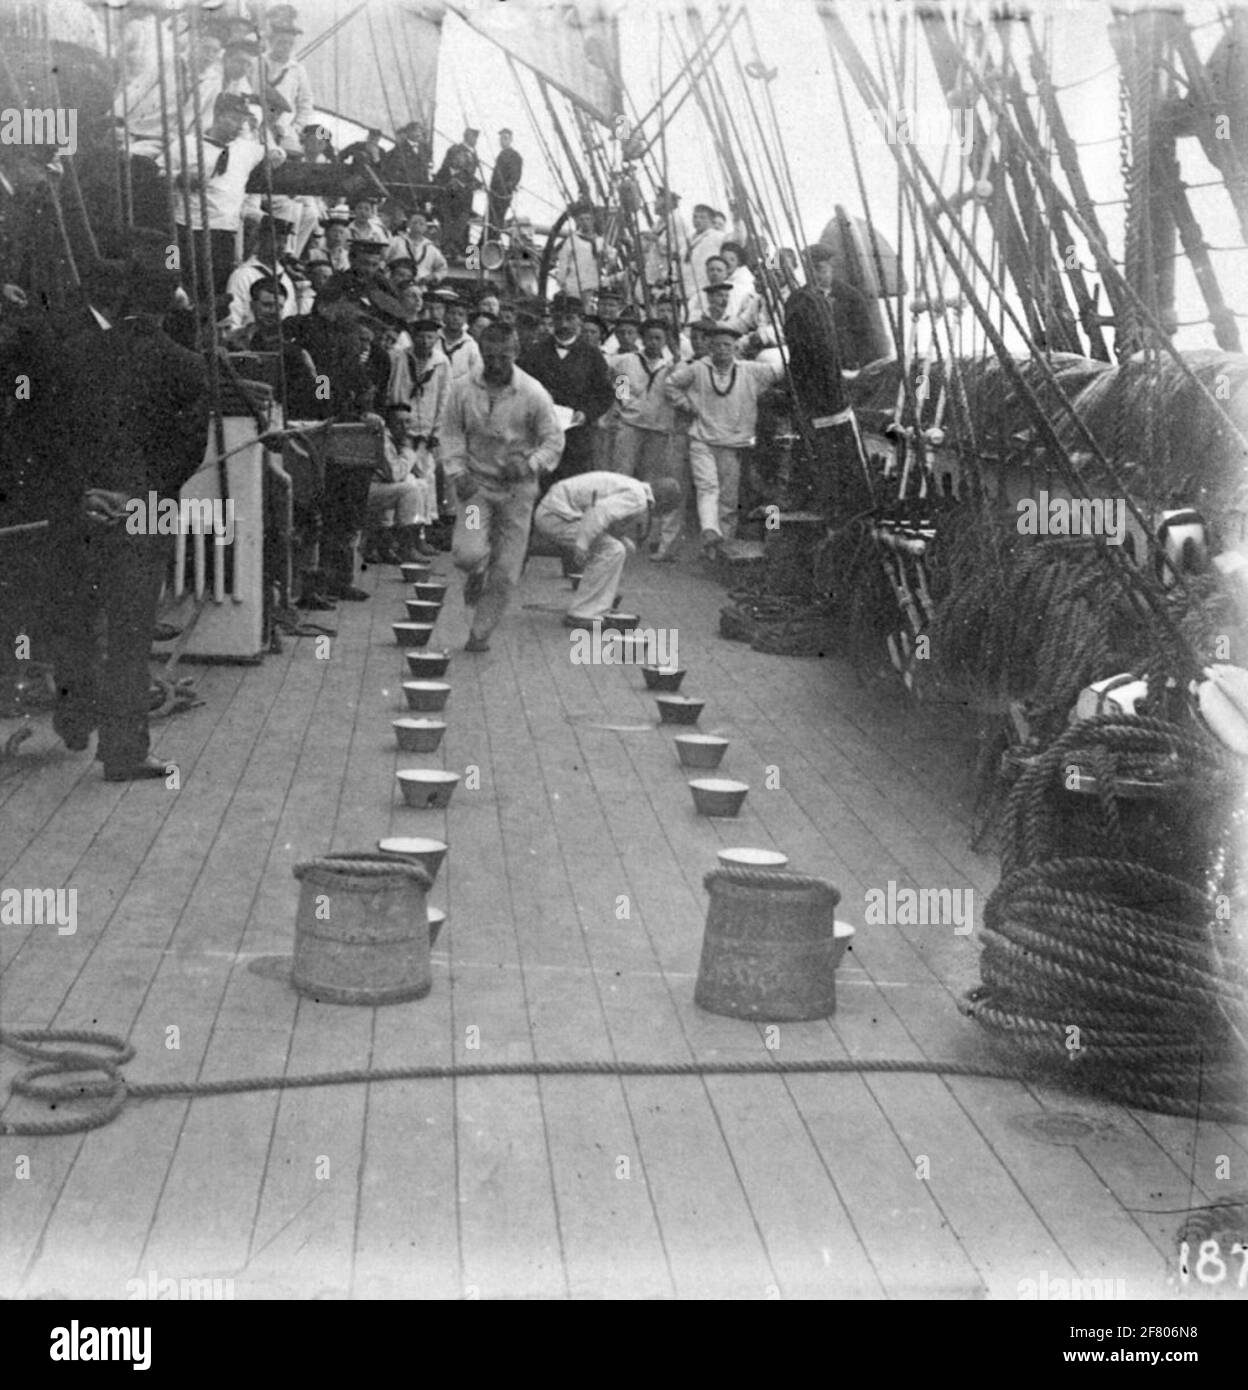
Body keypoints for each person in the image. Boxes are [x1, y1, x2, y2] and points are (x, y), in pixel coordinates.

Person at [44, 231, 210, 781]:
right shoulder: (185, 365)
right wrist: (139, 496)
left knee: (75, 616)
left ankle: (72, 716)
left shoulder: (74, 355)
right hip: (148, 509)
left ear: (120, 297)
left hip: (82, 507)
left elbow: (49, 437)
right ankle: (123, 751)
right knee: (131, 630)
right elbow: (189, 452)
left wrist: (82, 493)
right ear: (171, 299)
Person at [440, 322, 564, 652]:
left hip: (517, 493)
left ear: (516, 353)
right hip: (475, 488)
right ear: (480, 352)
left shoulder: (533, 392)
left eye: (504, 357)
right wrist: (457, 472)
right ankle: (476, 572)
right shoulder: (462, 388)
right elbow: (451, 434)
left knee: (507, 570)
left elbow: (554, 441)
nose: (495, 364)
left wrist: (531, 463)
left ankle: (479, 634)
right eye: (489, 356)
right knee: (467, 554)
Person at [667, 322, 785, 557]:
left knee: (739, 497)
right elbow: (666, 384)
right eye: (717, 345)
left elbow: (781, 370)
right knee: (701, 487)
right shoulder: (689, 366)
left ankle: (723, 547)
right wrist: (626, 403)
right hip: (676, 433)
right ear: (710, 347)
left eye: (728, 346)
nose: (722, 350)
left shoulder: (751, 372)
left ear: (735, 349)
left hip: (740, 445)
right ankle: (681, 539)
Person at [166, 91, 285, 300]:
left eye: (243, 119)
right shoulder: (184, 145)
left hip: (221, 235)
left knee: (215, 288)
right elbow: (157, 173)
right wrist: (179, 177)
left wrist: (276, 155)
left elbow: (276, 153)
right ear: (218, 116)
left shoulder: (246, 149)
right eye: (234, 118)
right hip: (181, 231)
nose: (239, 125)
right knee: (172, 279)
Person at [533, 473, 682, 626]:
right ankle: (583, 612)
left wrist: (618, 537)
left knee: (622, 547)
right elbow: (599, 511)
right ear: (663, 502)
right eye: (665, 511)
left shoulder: (635, 488)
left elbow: (604, 515)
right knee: (612, 549)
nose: (661, 516)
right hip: (557, 515)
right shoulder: (638, 499)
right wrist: (582, 543)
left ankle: (599, 602)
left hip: (559, 510)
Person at [784, 242, 866, 516]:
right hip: (814, 379)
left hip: (845, 371)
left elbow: (863, 334)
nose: (817, 275)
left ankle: (848, 498)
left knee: (844, 433)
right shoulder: (799, 300)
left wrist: (856, 367)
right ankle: (819, 497)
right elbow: (796, 343)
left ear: (831, 267)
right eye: (811, 269)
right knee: (817, 438)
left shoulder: (850, 297)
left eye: (820, 269)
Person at [518, 294, 615, 492]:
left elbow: (605, 393)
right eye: (558, 318)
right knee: (539, 485)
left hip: (576, 434)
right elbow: (520, 388)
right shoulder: (534, 353)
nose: (563, 324)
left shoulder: (592, 355)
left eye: (570, 318)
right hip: (540, 432)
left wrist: (586, 413)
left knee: (572, 487)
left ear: (580, 319)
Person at [364, 402, 439, 563]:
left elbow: (418, 473)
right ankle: (406, 547)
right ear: (389, 424)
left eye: (407, 422)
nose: (404, 427)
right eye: (399, 423)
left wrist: (415, 449)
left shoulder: (398, 438)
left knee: (416, 483)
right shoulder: (383, 438)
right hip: (365, 488)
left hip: (378, 485)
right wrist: (408, 450)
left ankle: (389, 545)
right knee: (407, 490)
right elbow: (395, 473)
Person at [223, 213, 297, 334]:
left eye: (285, 241)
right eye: (276, 239)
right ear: (261, 239)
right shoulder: (242, 275)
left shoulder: (286, 279)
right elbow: (232, 321)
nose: (281, 246)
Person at [261, 8, 314, 155]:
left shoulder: (297, 70)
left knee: (293, 160)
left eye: (290, 43)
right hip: (257, 126)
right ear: (272, 41)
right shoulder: (258, 63)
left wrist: (297, 127)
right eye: (281, 42)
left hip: (284, 130)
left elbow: (306, 102)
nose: (286, 47)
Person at [433, 128, 481, 260]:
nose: (475, 140)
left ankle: (466, 256)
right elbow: (447, 171)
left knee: (464, 223)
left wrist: (476, 184)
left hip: (465, 199)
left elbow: (470, 175)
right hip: (450, 198)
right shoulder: (456, 150)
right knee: (450, 222)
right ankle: (449, 250)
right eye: (473, 137)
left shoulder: (473, 154)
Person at [680, 202, 725, 316]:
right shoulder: (688, 239)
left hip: (701, 290)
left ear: (711, 220)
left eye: (702, 217)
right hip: (683, 291)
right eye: (695, 217)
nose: (697, 220)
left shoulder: (717, 236)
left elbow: (738, 238)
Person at [380, 120, 433, 213]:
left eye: (420, 130)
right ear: (408, 132)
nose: (418, 133)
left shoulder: (425, 148)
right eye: (415, 130)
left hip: (421, 188)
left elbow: (427, 167)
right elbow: (392, 166)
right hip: (406, 188)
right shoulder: (399, 148)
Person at [385, 209, 448, 285]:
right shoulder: (396, 241)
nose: (417, 225)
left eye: (421, 224)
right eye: (414, 223)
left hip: (419, 285)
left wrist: (432, 277)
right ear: (408, 224)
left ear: (426, 228)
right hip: (395, 283)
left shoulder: (431, 248)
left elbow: (443, 269)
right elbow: (383, 259)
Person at [554, 211, 601, 300]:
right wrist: (562, 280)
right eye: (582, 219)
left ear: (592, 221)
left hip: (592, 281)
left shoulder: (600, 241)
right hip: (575, 282)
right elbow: (563, 261)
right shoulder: (572, 240)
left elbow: (610, 258)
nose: (585, 222)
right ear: (578, 222)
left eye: (588, 219)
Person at [487, 128, 523, 236]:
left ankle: (491, 245)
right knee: (490, 221)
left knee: (495, 222)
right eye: (501, 139)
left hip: (502, 195)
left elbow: (515, 176)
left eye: (505, 138)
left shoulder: (515, 156)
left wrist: (508, 186)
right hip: (494, 194)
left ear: (511, 140)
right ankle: (487, 245)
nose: (502, 141)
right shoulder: (501, 155)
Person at [440, 294, 483, 381]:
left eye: (460, 315)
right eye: (452, 313)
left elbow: (476, 372)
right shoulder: (434, 338)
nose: (456, 318)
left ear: (466, 319)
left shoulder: (471, 345)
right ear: (444, 315)